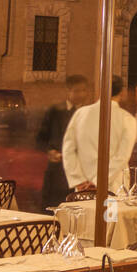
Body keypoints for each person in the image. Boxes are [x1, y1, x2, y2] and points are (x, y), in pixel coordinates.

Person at [62, 76, 137, 193]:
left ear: (100, 89)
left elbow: (68, 150)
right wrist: (97, 182)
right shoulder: (127, 119)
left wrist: (78, 180)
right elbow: (122, 156)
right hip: (114, 185)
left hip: (84, 185)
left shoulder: (80, 114)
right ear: (122, 92)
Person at [36, 74, 90, 208]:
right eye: (77, 91)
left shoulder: (89, 112)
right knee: (54, 206)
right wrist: (50, 152)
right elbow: (41, 138)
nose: (81, 94)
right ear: (68, 91)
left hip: (81, 170)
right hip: (58, 169)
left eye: (84, 90)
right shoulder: (54, 111)